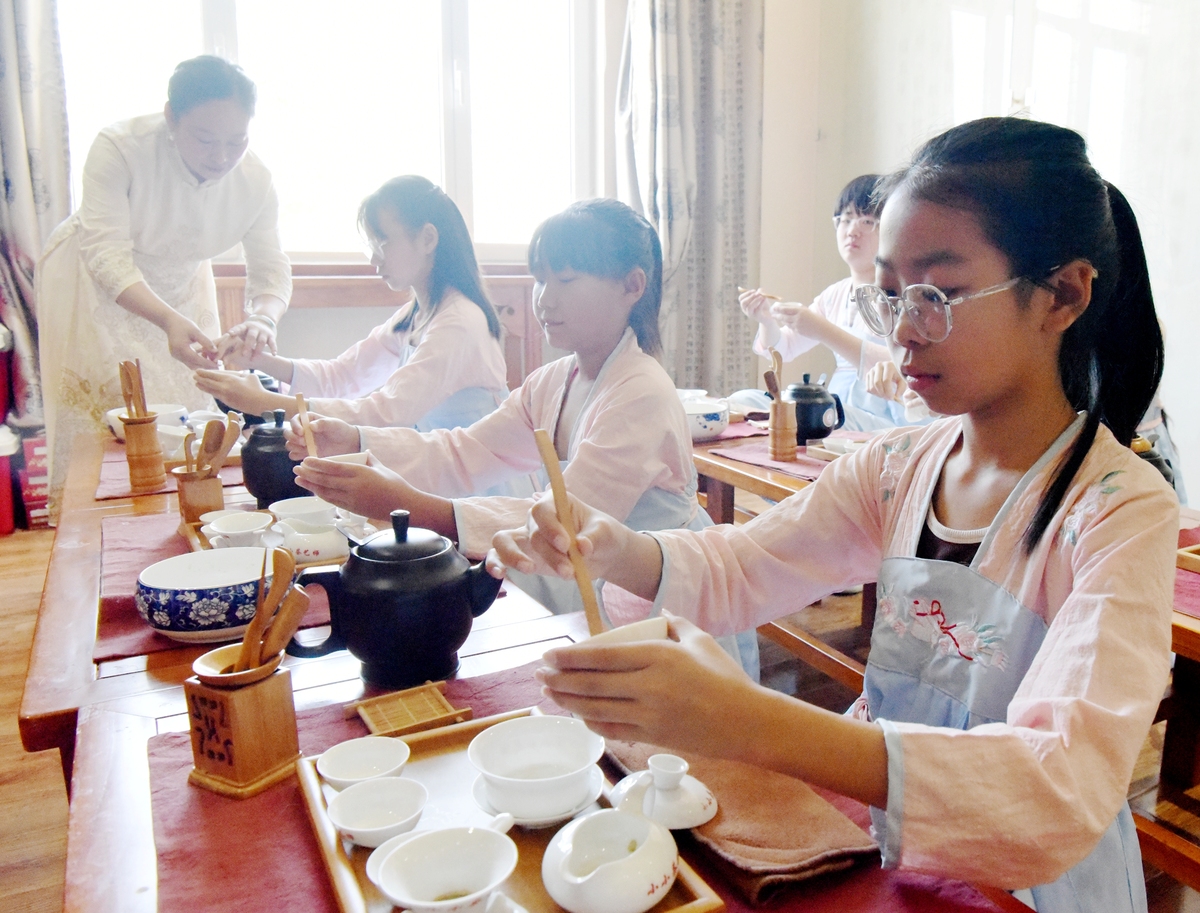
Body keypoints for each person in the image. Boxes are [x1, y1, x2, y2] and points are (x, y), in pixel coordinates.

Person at [492, 118, 1177, 911]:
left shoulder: (1118, 511)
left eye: (940, 293)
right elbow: (746, 565)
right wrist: (613, 548)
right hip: (891, 843)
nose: (904, 330)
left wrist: (751, 721)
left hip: (1034, 882)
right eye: (889, 295)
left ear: (1062, 293)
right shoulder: (899, 467)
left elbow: (1058, 787)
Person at [286, 198, 758, 676]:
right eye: (540, 279)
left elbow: (567, 523)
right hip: (587, 578)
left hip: (655, 594)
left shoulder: (642, 392)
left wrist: (406, 502)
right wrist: (355, 440)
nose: (544, 298)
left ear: (631, 286)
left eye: (566, 280)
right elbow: (465, 451)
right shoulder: (552, 381)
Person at [36, 55, 291, 519]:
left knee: (189, 419)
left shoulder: (255, 180)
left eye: (237, 141)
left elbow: (271, 270)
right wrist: (169, 320)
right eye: (205, 139)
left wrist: (262, 317)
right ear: (172, 116)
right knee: (109, 418)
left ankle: (181, 522)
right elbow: (105, 256)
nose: (221, 157)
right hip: (94, 284)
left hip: (183, 285)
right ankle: (94, 531)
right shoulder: (120, 147)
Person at [195, 175, 509, 432]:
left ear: (428, 239)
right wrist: (258, 360)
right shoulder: (415, 316)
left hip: (483, 489)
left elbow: (388, 411)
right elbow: (343, 376)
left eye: (382, 243)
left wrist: (266, 403)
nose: (374, 257)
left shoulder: (460, 321)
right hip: (445, 474)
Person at [739, 174, 925, 430]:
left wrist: (821, 329)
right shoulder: (835, 294)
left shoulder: (899, 295)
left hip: (882, 416)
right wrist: (765, 320)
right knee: (743, 401)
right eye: (845, 220)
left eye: (867, 221)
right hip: (838, 406)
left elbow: (903, 366)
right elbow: (785, 348)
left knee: (810, 416)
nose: (852, 231)